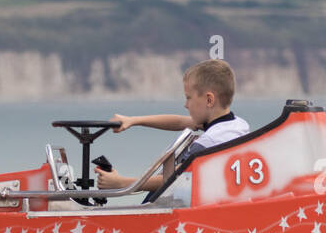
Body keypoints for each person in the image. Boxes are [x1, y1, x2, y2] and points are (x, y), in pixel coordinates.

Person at [95, 59, 249, 194]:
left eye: (189, 98)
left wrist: (121, 183)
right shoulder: (236, 125)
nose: (186, 105)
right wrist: (133, 120)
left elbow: (174, 179)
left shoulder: (208, 143)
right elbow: (180, 122)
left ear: (209, 100)